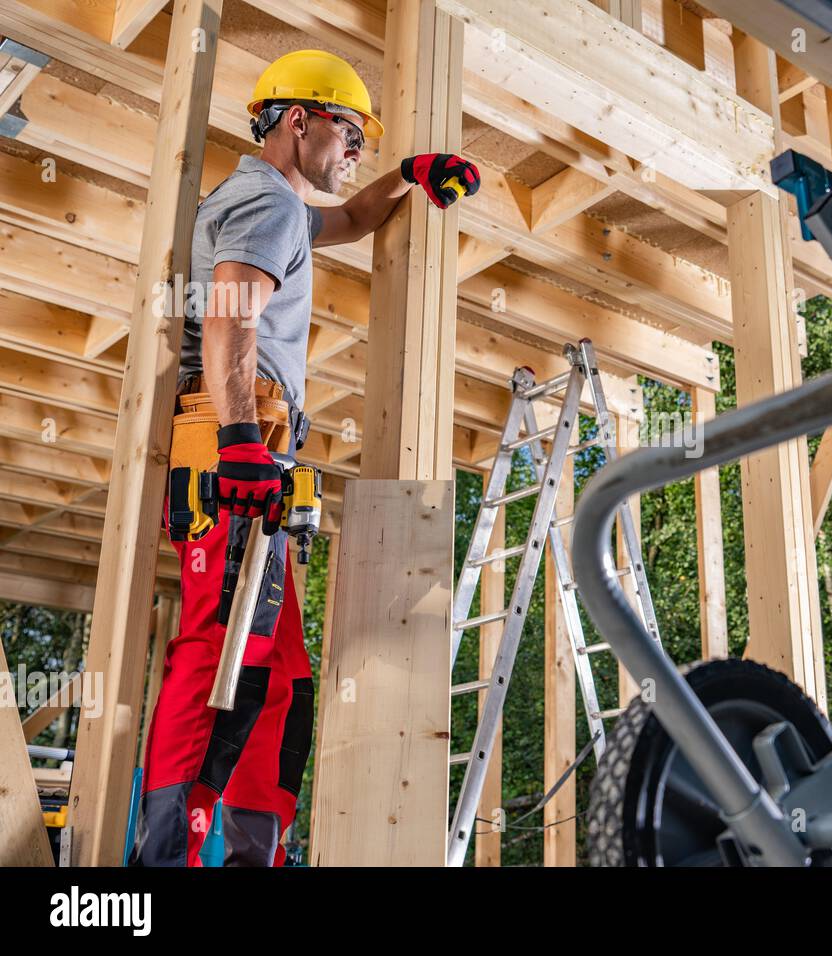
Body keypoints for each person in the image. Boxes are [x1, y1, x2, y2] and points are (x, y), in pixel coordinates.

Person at [130, 49, 480, 866]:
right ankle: (166, 857)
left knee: (282, 672)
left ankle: (255, 854)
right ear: (299, 120)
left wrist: (408, 176)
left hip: (255, 445)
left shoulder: (279, 205)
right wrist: (240, 442)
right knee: (225, 648)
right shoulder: (267, 204)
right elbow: (231, 314)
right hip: (235, 441)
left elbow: (352, 219)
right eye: (349, 132)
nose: (354, 149)